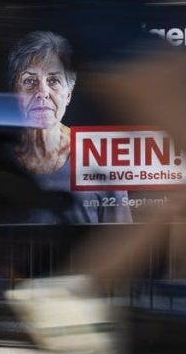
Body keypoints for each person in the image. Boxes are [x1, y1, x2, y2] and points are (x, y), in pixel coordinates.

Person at [7, 30, 132, 224]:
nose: (42, 93)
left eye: (54, 80)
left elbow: (121, 241)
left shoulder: (99, 159)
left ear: (69, 93)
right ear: (15, 91)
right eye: (30, 81)